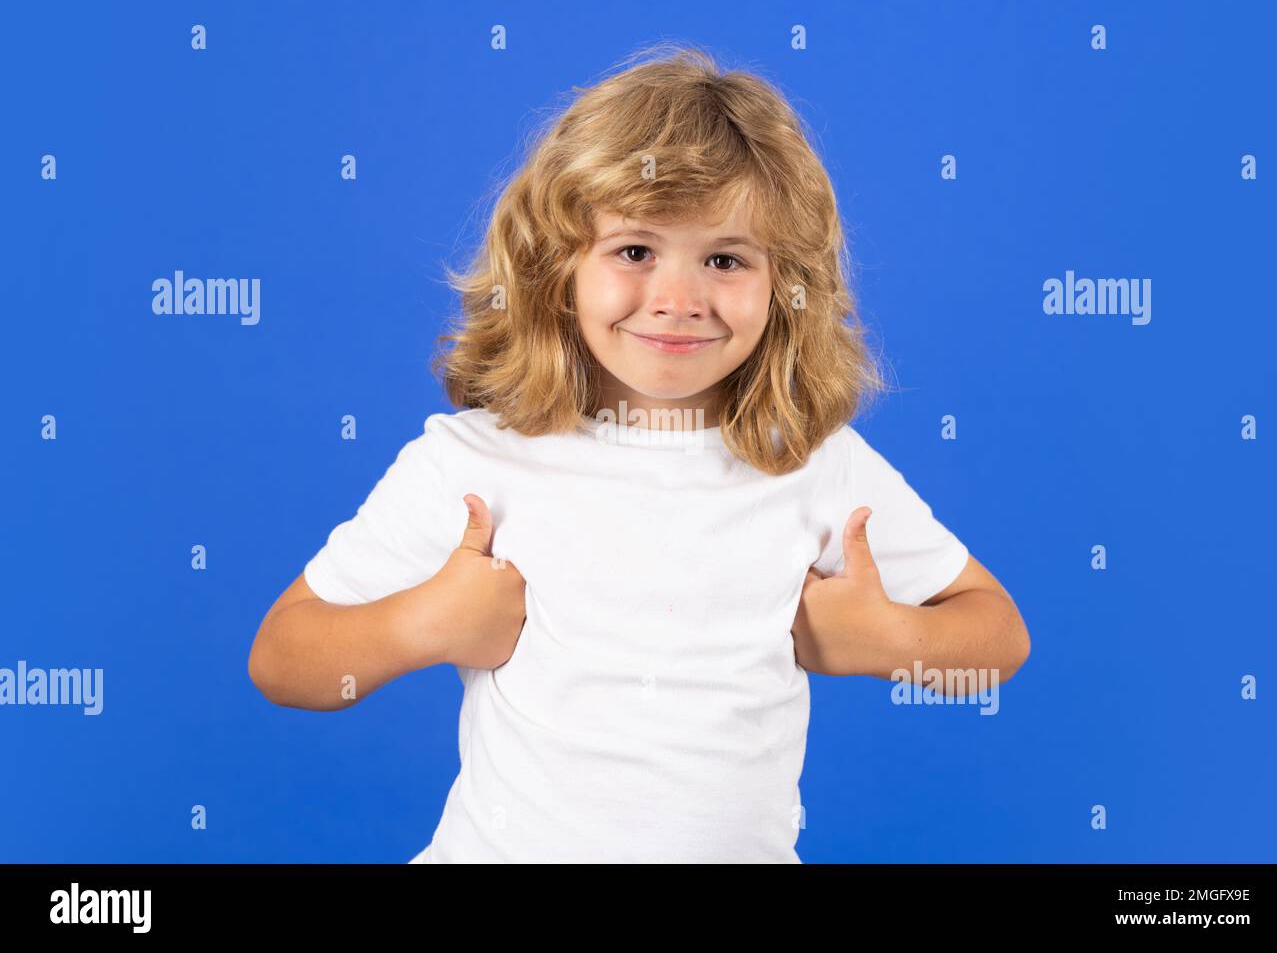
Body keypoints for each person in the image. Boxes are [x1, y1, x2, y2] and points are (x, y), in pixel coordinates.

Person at [248, 44, 1030, 863]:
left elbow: (997, 637)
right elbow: (284, 658)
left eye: (726, 259)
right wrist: (424, 624)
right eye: (634, 251)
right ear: (559, 270)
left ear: (785, 286)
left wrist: (888, 640)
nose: (678, 300)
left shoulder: (812, 463)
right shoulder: (477, 461)